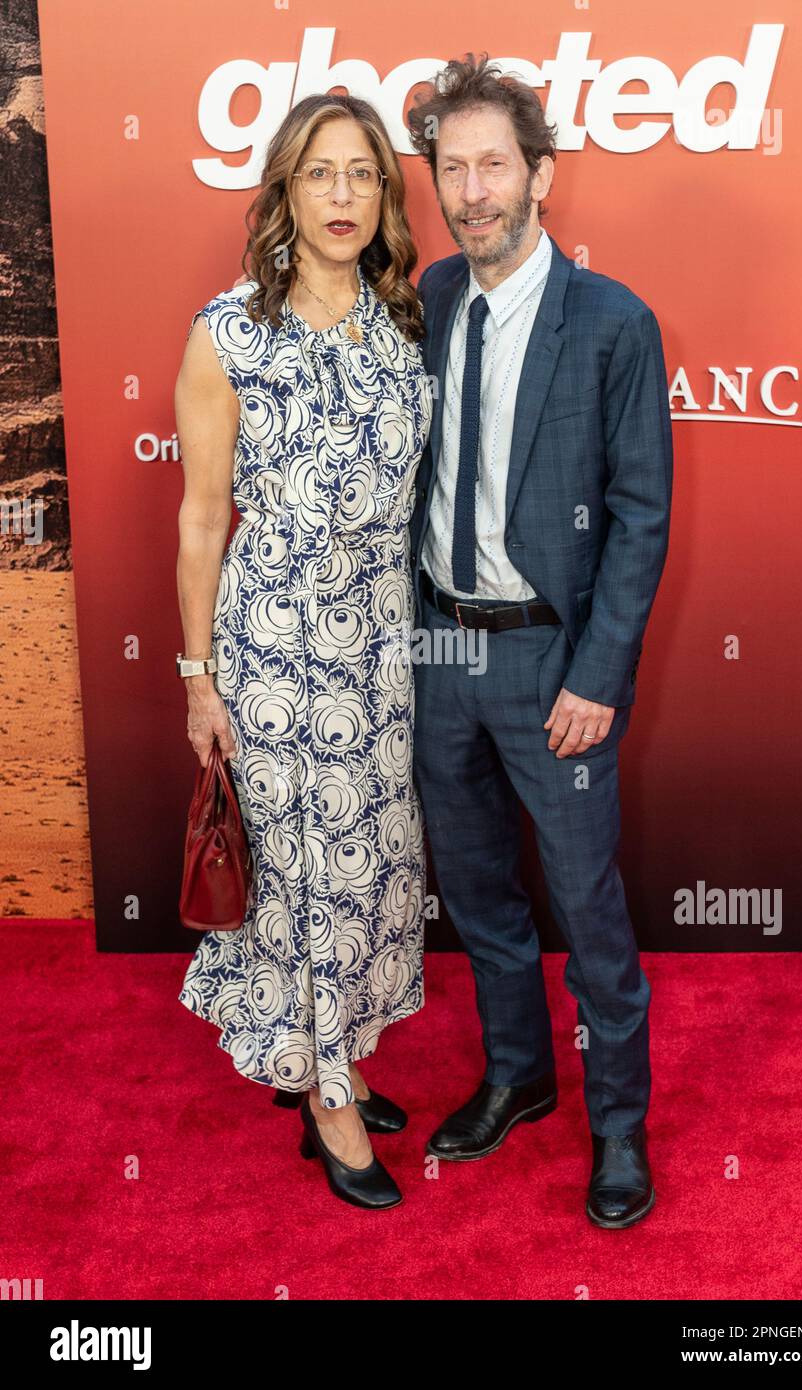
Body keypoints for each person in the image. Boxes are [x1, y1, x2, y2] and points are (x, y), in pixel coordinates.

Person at [406, 55, 673, 1228]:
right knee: (475, 892)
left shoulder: (613, 323)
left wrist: (596, 674)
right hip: (437, 653)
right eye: (451, 168)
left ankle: (616, 1126)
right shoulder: (423, 299)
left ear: (540, 176)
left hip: (550, 663)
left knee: (584, 903)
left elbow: (638, 516)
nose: (473, 190)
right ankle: (517, 1076)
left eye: (493, 165)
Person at [174, 93, 432, 1211]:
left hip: (379, 642)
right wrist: (198, 681)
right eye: (320, 174)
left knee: (366, 859)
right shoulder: (225, 330)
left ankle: (343, 1052)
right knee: (304, 868)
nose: (342, 196)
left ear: (384, 197)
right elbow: (198, 519)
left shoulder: (406, 323)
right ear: (283, 188)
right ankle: (324, 1100)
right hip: (273, 643)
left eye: (363, 175)